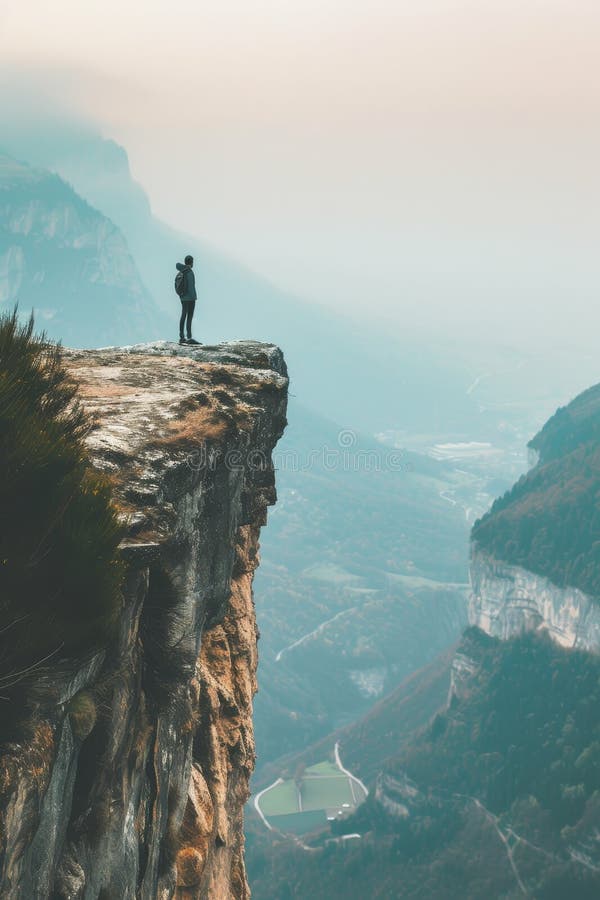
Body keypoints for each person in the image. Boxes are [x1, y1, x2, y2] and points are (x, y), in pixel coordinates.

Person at [176, 255, 200, 345]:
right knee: (189, 316)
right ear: (191, 262)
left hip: (182, 297)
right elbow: (191, 287)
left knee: (183, 315)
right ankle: (189, 337)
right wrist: (194, 298)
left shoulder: (182, 270)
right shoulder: (189, 272)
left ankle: (181, 337)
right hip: (190, 298)